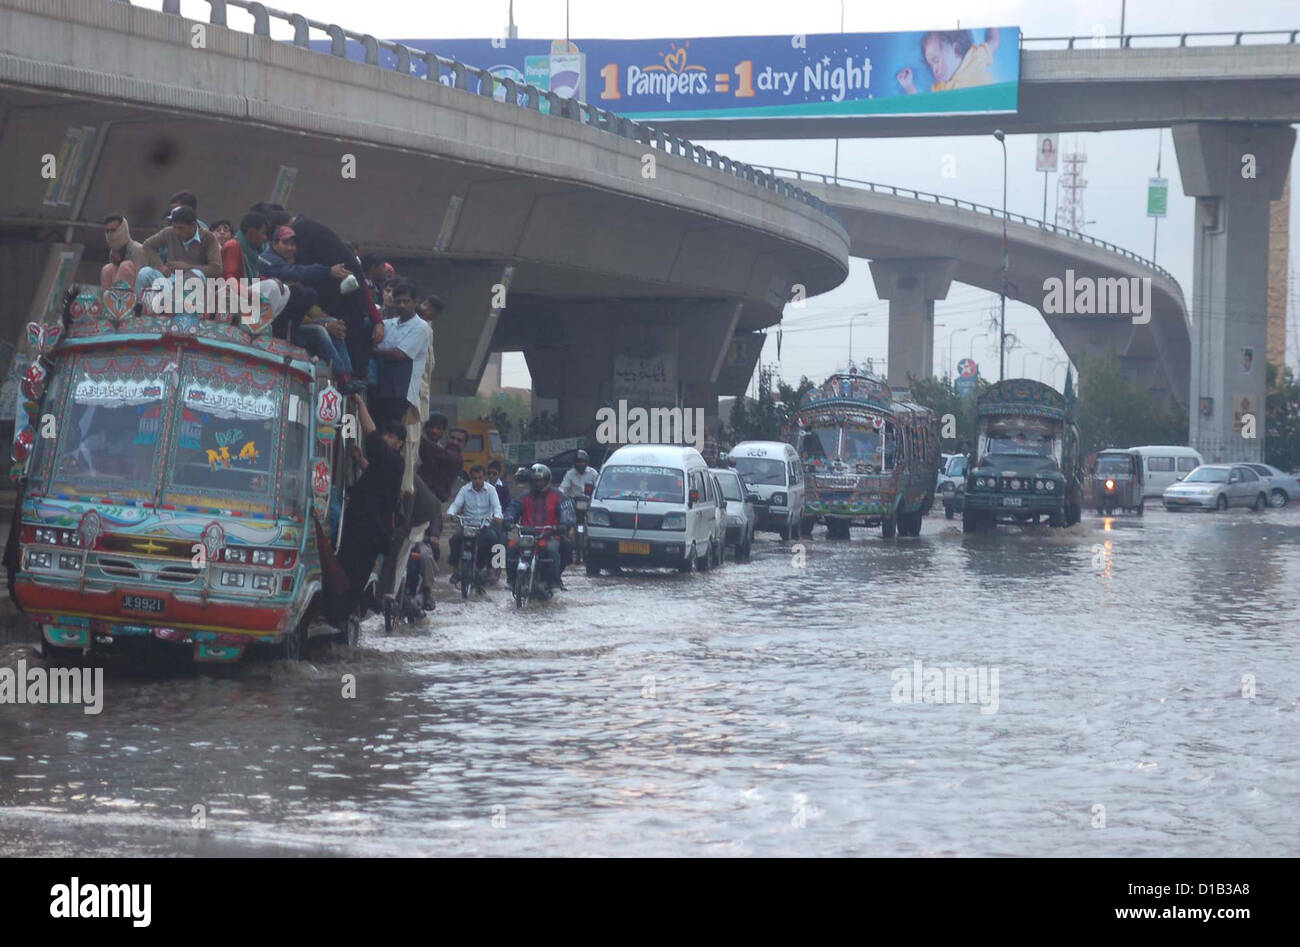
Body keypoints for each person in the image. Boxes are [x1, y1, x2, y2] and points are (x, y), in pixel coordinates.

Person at [258, 225, 361, 391]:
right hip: (269, 324)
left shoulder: (288, 264)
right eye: (286, 243)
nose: (291, 248)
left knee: (333, 322)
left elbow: (310, 309)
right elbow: (296, 275)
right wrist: (327, 271)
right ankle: (343, 379)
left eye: (293, 245)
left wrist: (325, 321)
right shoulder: (267, 260)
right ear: (274, 243)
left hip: (292, 323)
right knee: (316, 321)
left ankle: (347, 376)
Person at [330, 421, 405, 623]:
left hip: (369, 530)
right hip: (366, 527)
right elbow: (374, 471)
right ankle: (341, 614)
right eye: (386, 435)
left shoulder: (393, 459)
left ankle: (342, 614)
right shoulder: (389, 463)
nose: (386, 439)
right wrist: (361, 459)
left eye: (391, 436)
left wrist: (361, 404)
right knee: (348, 570)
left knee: (352, 574)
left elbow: (371, 433)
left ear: (400, 443)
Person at [372, 280, 431, 431]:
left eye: (406, 301)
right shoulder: (388, 324)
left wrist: (373, 351)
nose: (402, 305)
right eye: (398, 302)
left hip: (400, 392)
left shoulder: (421, 327)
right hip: (381, 389)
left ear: (415, 302)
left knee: (390, 433)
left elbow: (399, 354)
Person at [503, 463, 574, 589]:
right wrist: (508, 519)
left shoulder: (558, 496)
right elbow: (512, 509)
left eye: (541, 480)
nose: (538, 483)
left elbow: (566, 511)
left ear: (547, 480)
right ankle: (512, 581)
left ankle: (554, 581)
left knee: (553, 551)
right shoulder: (524, 497)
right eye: (535, 480)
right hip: (527, 537)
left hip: (550, 536)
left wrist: (563, 524)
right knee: (511, 549)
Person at [137, 206, 222, 308]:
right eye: (175, 227)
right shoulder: (169, 232)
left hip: (194, 286)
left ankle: (176, 310)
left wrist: (189, 267)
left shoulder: (208, 238)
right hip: (170, 280)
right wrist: (161, 267)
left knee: (196, 274)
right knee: (144, 273)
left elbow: (217, 269)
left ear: (193, 225)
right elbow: (148, 245)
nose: (177, 232)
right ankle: (147, 311)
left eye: (181, 228)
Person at [446, 464, 504, 584]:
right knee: (455, 539)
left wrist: (497, 516)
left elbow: (497, 507)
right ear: (471, 478)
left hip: (485, 526)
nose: (477, 481)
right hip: (468, 526)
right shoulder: (464, 490)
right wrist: (450, 513)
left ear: (484, 478)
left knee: (493, 538)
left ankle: (491, 569)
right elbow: (456, 505)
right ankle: (455, 570)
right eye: (474, 478)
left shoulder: (491, 490)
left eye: (480, 478)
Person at [897, 27, 1000, 94]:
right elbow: (925, 107)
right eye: (931, 66)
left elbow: (994, 41)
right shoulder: (940, 88)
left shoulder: (974, 56)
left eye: (936, 61)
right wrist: (909, 86)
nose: (934, 70)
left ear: (955, 50)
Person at [99, 214, 148, 292]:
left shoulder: (138, 249)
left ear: (122, 229)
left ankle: (120, 300)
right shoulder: (113, 252)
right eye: (107, 231)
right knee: (107, 269)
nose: (109, 234)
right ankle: (109, 302)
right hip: (119, 293)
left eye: (113, 230)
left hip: (140, 295)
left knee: (125, 266)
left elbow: (143, 280)